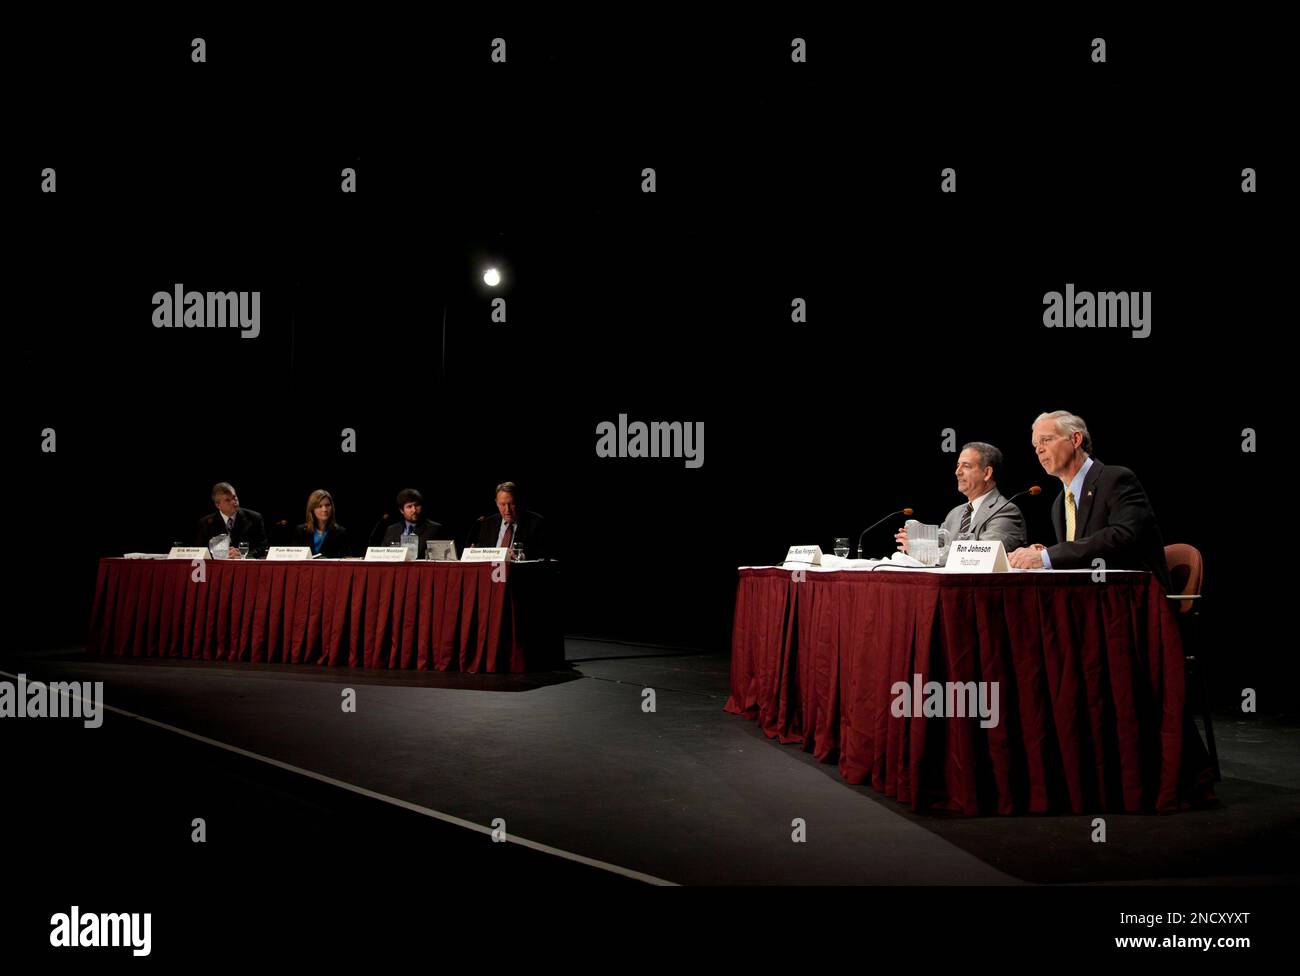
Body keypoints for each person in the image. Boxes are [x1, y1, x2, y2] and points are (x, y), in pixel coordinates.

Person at [1007, 410, 1171, 590]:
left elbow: (1123, 536)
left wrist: (1048, 556)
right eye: (1035, 445)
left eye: (1046, 440)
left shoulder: (1115, 479)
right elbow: (1081, 553)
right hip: (1090, 595)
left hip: (1135, 595)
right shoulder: (1059, 504)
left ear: (1075, 440)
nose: (1039, 449)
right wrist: (1044, 553)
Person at [895, 442, 1027, 556]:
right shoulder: (955, 513)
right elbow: (940, 542)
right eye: (958, 465)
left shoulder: (1005, 511)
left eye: (966, 466)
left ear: (987, 473)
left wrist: (920, 550)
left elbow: (978, 555)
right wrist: (917, 538)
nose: (957, 472)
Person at [471, 481, 547, 559]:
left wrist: (521, 556)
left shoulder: (536, 523)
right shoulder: (487, 524)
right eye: (503, 504)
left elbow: (545, 554)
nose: (507, 510)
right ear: (497, 503)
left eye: (511, 504)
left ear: (518, 502)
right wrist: (474, 553)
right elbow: (481, 552)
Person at [195, 482, 268, 558]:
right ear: (218, 505)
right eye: (228, 500)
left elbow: (263, 547)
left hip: (246, 566)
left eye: (234, 497)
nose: (234, 502)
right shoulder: (205, 523)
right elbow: (200, 551)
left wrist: (243, 555)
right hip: (217, 567)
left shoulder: (254, 518)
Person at [381, 488, 444, 558]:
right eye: (409, 506)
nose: (414, 510)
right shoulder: (392, 530)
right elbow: (384, 556)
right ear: (402, 510)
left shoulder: (434, 529)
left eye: (417, 505)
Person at [290, 489, 352, 558]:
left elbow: (346, 560)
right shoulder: (300, 531)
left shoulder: (341, 532)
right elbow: (294, 559)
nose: (324, 509)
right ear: (312, 509)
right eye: (320, 506)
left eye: (327, 505)